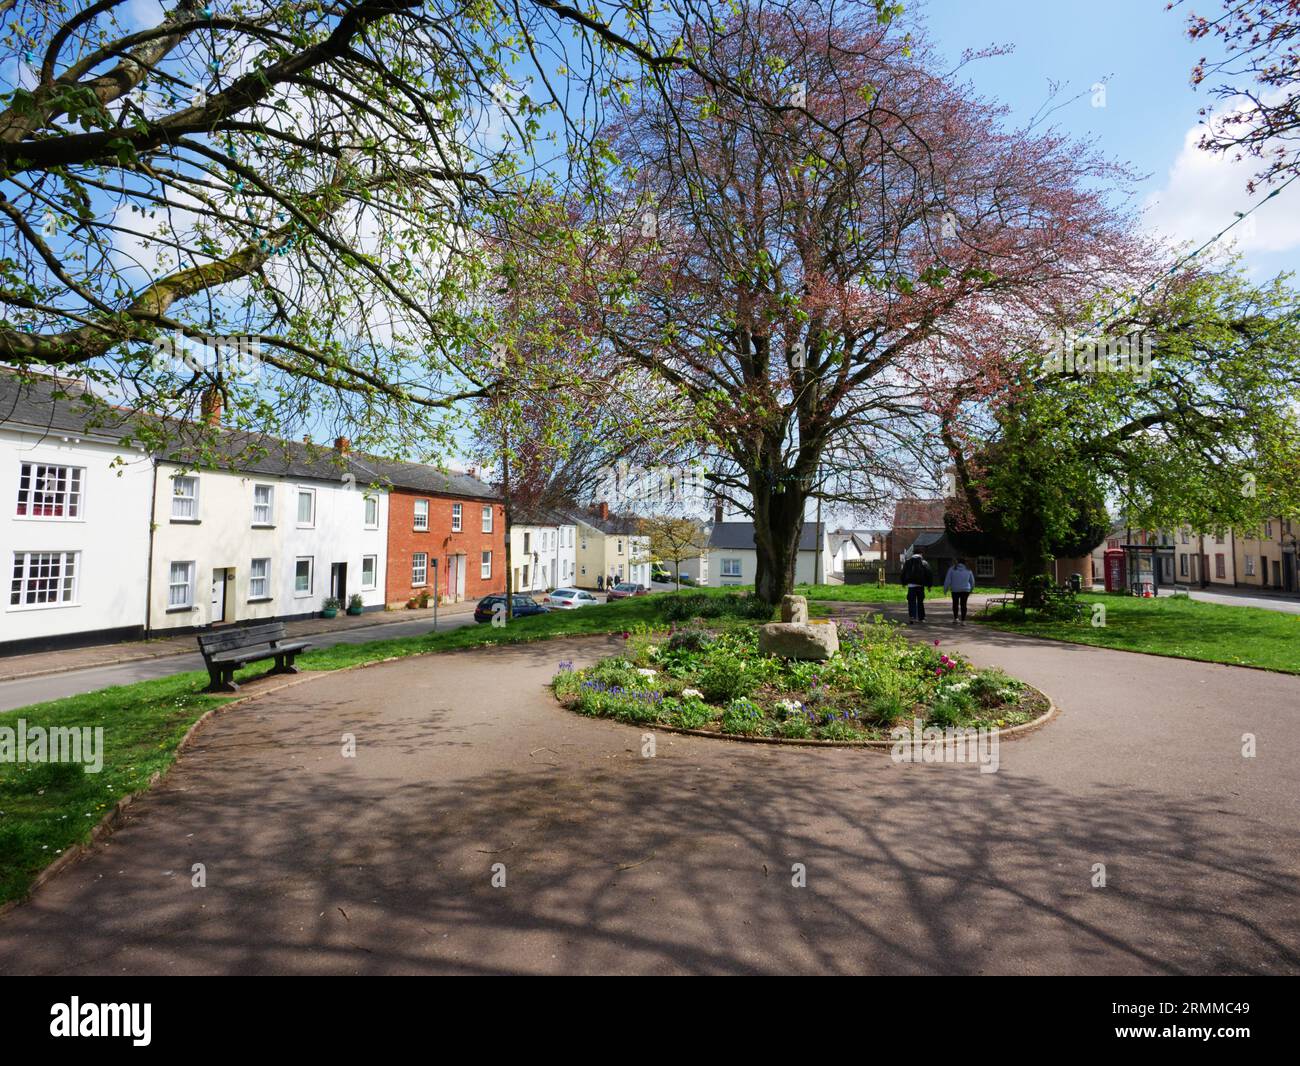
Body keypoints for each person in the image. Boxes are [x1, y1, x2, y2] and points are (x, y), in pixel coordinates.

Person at [900, 550, 933, 624]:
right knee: (920, 602)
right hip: (921, 585)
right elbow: (929, 573)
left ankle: (912, 617)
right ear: (921, 554)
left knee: (911, 601)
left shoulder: (908, 562)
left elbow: (903, 572)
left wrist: (903, 583)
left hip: (911, 586)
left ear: (913, 554)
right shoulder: (924, 562)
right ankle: (921, 618)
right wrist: (929, 585)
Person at [944, 557, 975, 624]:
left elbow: (948, 580)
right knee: (963, 604)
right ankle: (963, 620)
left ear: (957, 562)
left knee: (955, 604)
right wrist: (971, 589)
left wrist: (945, 589)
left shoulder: (952, 569)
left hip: (955, 589)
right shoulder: (968, 569)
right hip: (965, 589)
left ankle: (956, 618)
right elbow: (972, 581)